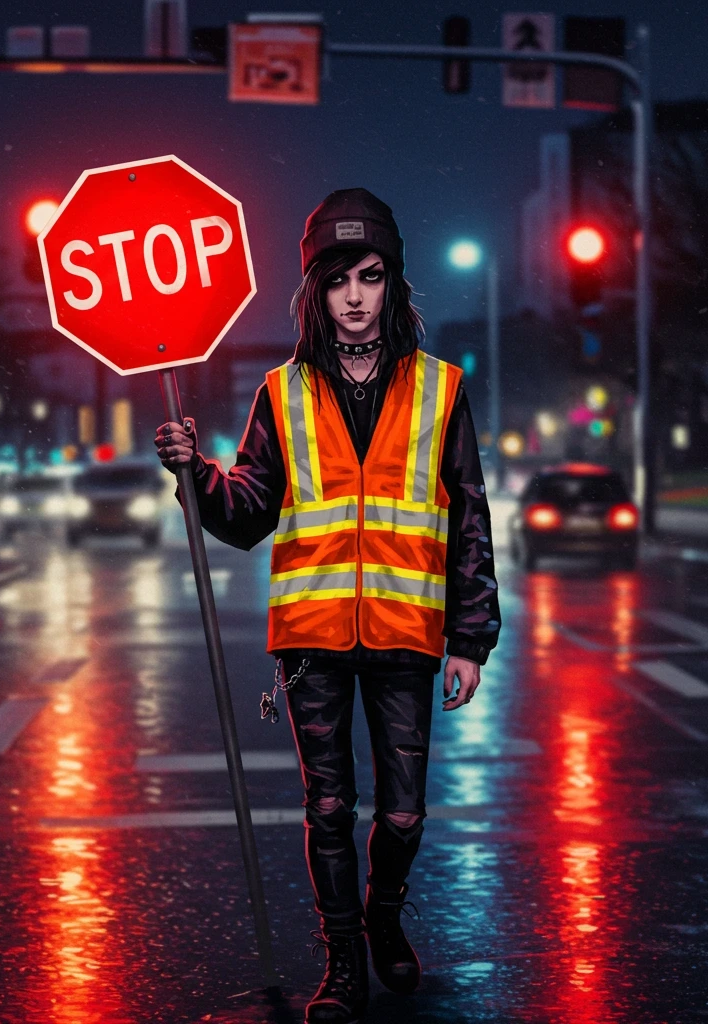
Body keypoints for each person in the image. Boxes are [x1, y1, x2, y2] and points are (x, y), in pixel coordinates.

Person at [154, 188, 501, 1024]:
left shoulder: (443, 389)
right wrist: (195, 473)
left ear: (393, 284)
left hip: (407, 635)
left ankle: (383, 917)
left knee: (406, 812)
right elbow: (248, 512)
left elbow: (469, 516)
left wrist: (471, 638)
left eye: (371, 276)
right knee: (329, 807)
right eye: (338, 279)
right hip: (311, 637)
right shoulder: (281, 390)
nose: (354, 296)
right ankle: (342, 962)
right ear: (315, 290)